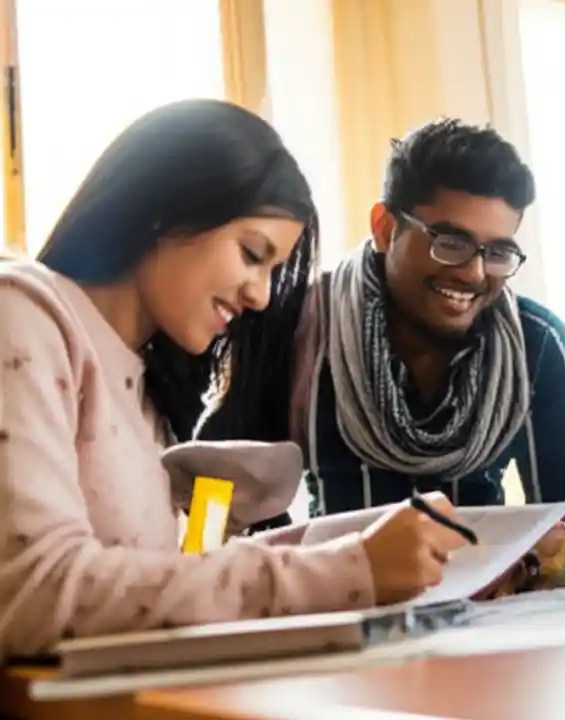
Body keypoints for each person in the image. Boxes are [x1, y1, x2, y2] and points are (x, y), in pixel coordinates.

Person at [0, 100, 468, 657]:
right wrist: (345, 568)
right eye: (252, 254)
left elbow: (140, 597)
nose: (261, 295)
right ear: (166, 211)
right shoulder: (23, 314)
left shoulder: (145, 385)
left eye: (273, 269)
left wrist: (348, 547)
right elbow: (35, 593)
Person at [197, 118, 565, 542]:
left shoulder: (537, 345)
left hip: (482, 600)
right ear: (385, 228)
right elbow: (214, 486)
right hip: (330, 594)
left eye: (497, 251)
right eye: (450, 243)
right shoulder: (296, 322)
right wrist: (254, 569)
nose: (474, 273)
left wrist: (543, 562)